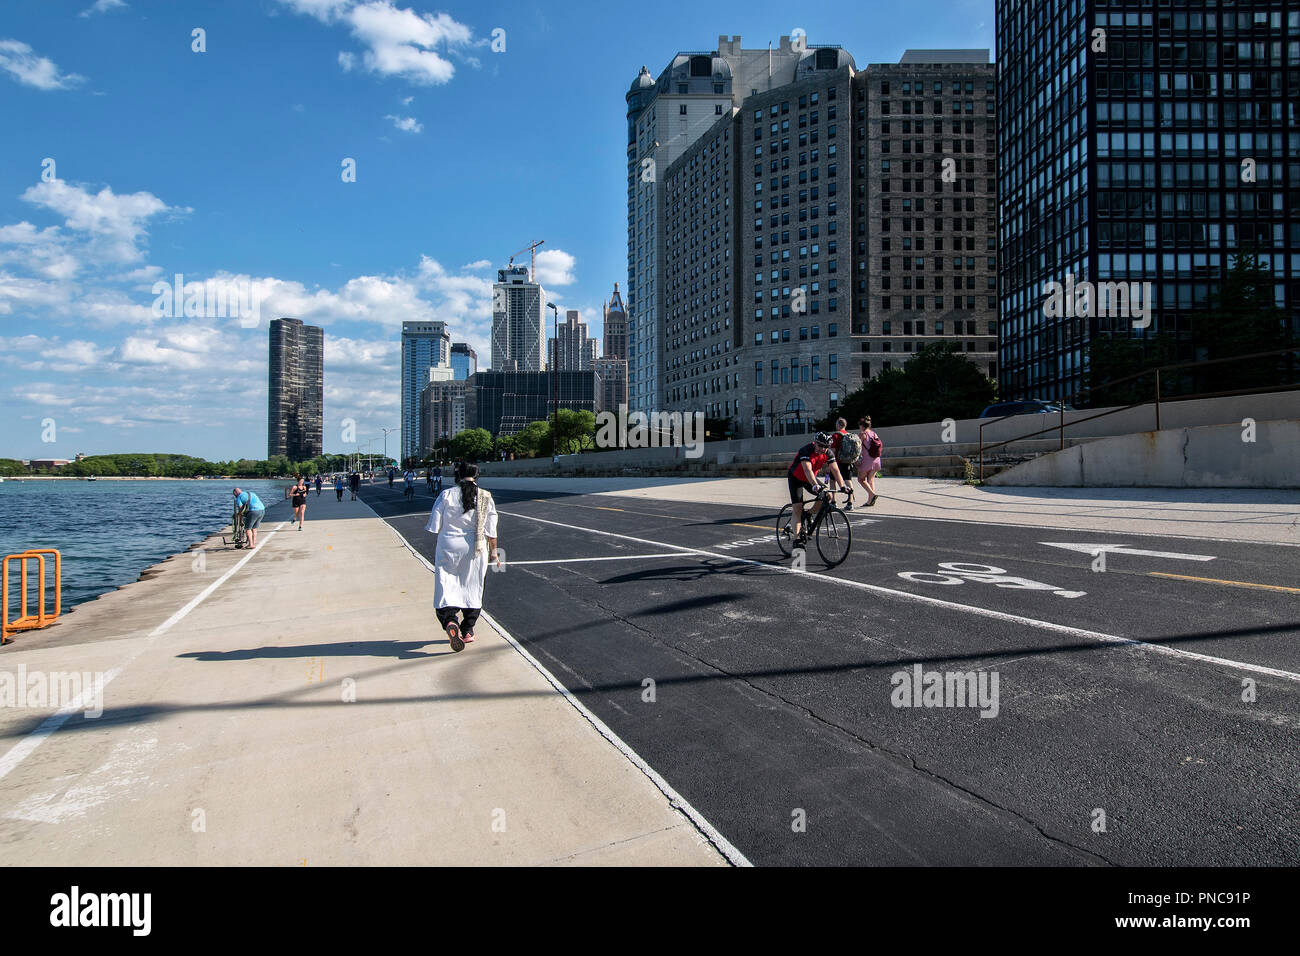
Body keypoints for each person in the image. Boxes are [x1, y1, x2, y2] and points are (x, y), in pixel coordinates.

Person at [425, 462, 499, 653]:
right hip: (475, 547)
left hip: (448, 545)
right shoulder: (485, 496)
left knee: (446, 584)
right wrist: (493, 552)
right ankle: (467, 630)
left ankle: (450, 620)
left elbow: (434, 525)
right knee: (473, 585)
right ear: (477, 475)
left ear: (458, 474)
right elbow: (491, 529)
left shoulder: (446, 495)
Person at [786, 431, 846, 547]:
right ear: (815, 443)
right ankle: (797, 539)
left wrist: (843, 486)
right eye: (820, 445)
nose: (823, 449)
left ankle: (809, 513)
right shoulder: (806, 450)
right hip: (796, 478)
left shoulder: (828, 453)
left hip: (810, 478)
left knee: (827, 495)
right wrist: (815, 485)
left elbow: (835, 470)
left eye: (826, 447)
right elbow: (807, 470)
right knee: (797, 508)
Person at [830, 417, 862, 511]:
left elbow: (833, 450)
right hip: (848, 462)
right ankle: (850, 502)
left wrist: (828, 463)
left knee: (832, 481)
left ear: (839, 425)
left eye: (836, 423)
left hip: (837, 462)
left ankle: (833, 502)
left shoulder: (836, 435)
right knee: (848, 481)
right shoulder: (850, 435)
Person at [857, 416, 884, 506]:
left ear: (862, 426)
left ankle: (872, 495)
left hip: (867, 460)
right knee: (870, 480)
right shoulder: (874, 433)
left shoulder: (862, 434)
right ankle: (870, 501)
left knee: (861, 479)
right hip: (876, 459)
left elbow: (858, 448)